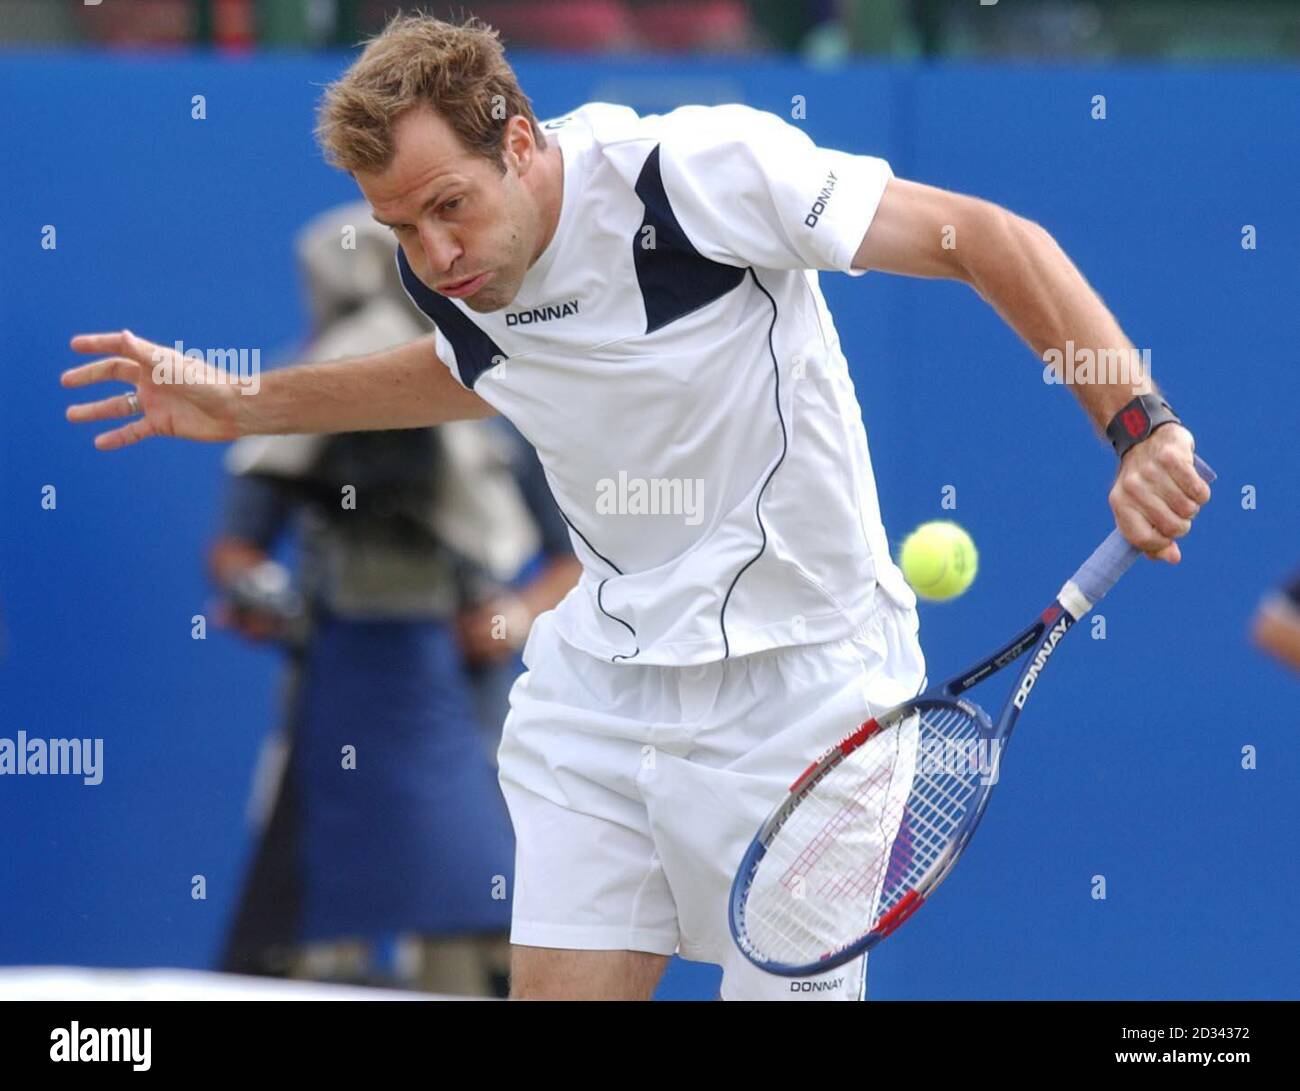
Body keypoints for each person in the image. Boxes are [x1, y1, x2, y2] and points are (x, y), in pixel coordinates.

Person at [62, 12, 1210, 1000]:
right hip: (602, 694)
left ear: (520, 140)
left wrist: (1136, 425)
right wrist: (245, 405)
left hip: (812, 697)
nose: (435, 249)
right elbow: (474, 366)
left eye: (449, 206)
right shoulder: (448, 264)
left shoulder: (697, 175)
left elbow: (987, 239)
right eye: (402, 225)